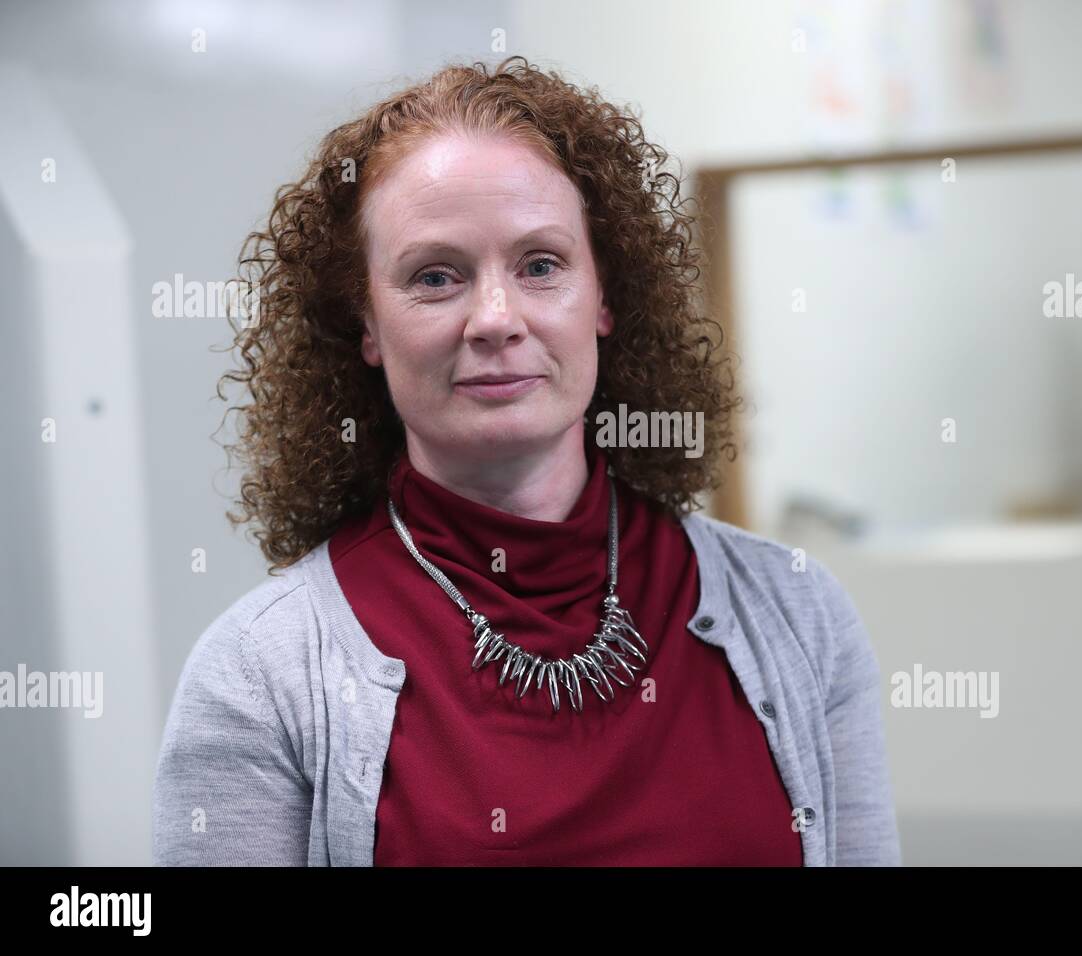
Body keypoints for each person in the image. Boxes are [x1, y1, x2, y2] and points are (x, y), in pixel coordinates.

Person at [151, 55, 901, 866]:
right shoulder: (257, 676)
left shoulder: (797, 614)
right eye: (435, 277)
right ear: (365, 326)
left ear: (606, 297)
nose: (496, 319)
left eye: (541, 265)